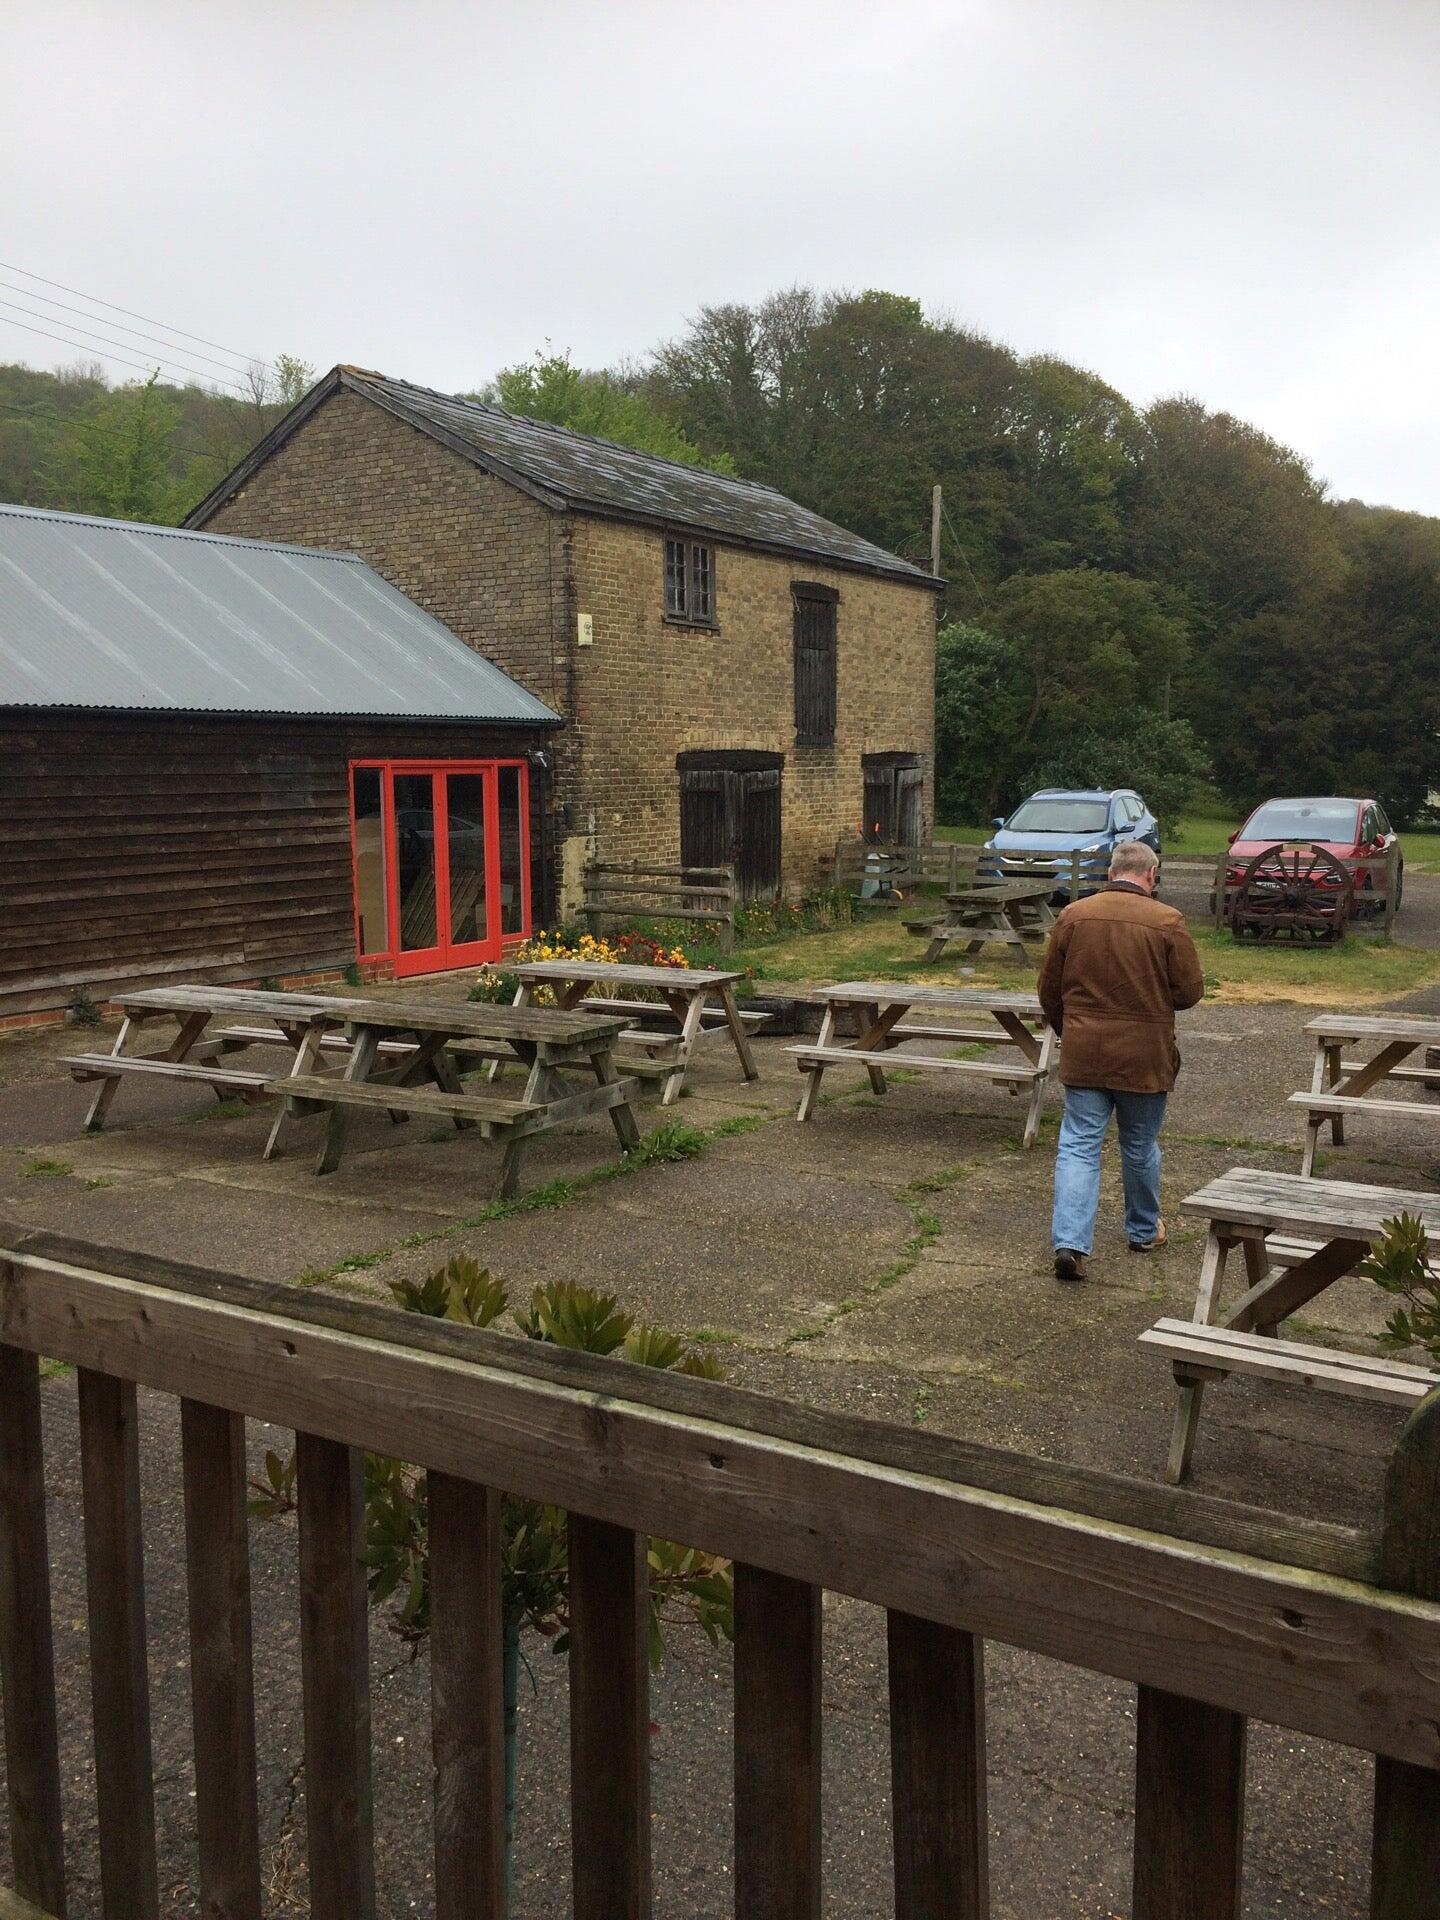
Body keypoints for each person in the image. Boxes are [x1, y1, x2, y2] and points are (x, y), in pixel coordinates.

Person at [1037, 839, 1204, 1281]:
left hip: (1085, 1051)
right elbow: (1189, 993)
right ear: (1151, 875)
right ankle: (1144, 1230)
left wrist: (1069, 1029)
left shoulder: (1073, 916)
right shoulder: (1168, 921)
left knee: (1078, 1146)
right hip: (1144, 1056)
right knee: (1139, 1144)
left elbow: (1048, 990)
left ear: (1111, 872)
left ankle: (1071, 1243)